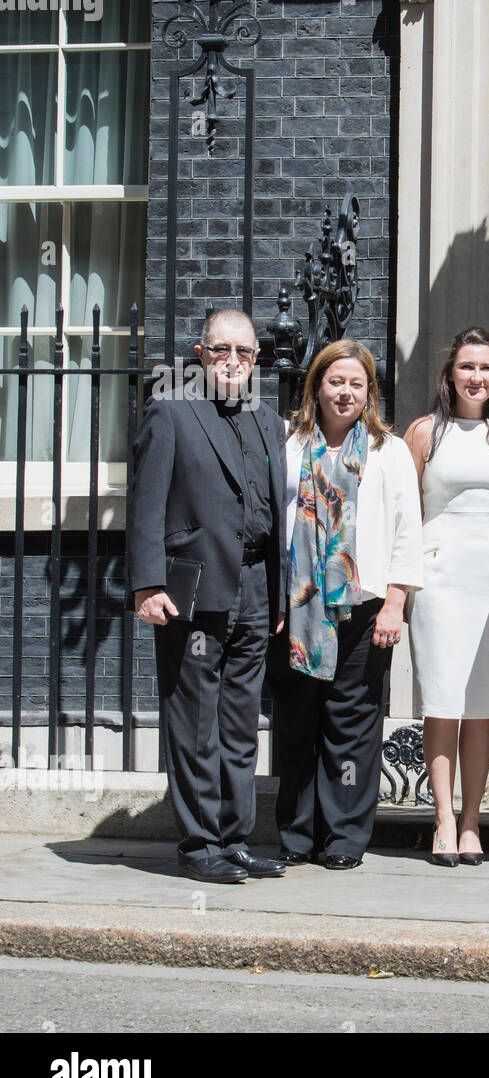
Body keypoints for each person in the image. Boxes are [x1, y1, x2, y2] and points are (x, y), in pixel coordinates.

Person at [129, 308, 288, 884]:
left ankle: (234, 837)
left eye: (243, 353)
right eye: (221, 350)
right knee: (195, 717)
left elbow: (276, 513)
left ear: (255, 360)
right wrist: (146, 583)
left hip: (255, 587)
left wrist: (278, 597)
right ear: (200, 354)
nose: (232, 362)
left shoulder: (268, 422)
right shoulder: (171, 412)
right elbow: (145, 501)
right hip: (192, 591)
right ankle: (199, 844)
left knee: (241, 722)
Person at [270, 339, 423, 870]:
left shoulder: (390, 450)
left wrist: (395, 604)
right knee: (296, 723)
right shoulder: (288, 444)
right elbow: (272, 521)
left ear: (369, 392)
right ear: (317, 384)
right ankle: (295, 834)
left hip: (364, 606)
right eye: (336, 381)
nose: (346, 391)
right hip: (298, 606)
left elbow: (408, 531)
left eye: (357, 383)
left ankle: (343, 838)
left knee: (353, 725)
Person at [404, 327, 489, 867]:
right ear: (450, 374)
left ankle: (474, 822)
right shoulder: (423, 432)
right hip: (437, 578)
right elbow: (405, 514)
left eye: (486, 367)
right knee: (443, 702)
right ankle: (443, 822)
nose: (477, 377)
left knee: (481, 706)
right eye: (467, 367)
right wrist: (401, 585)